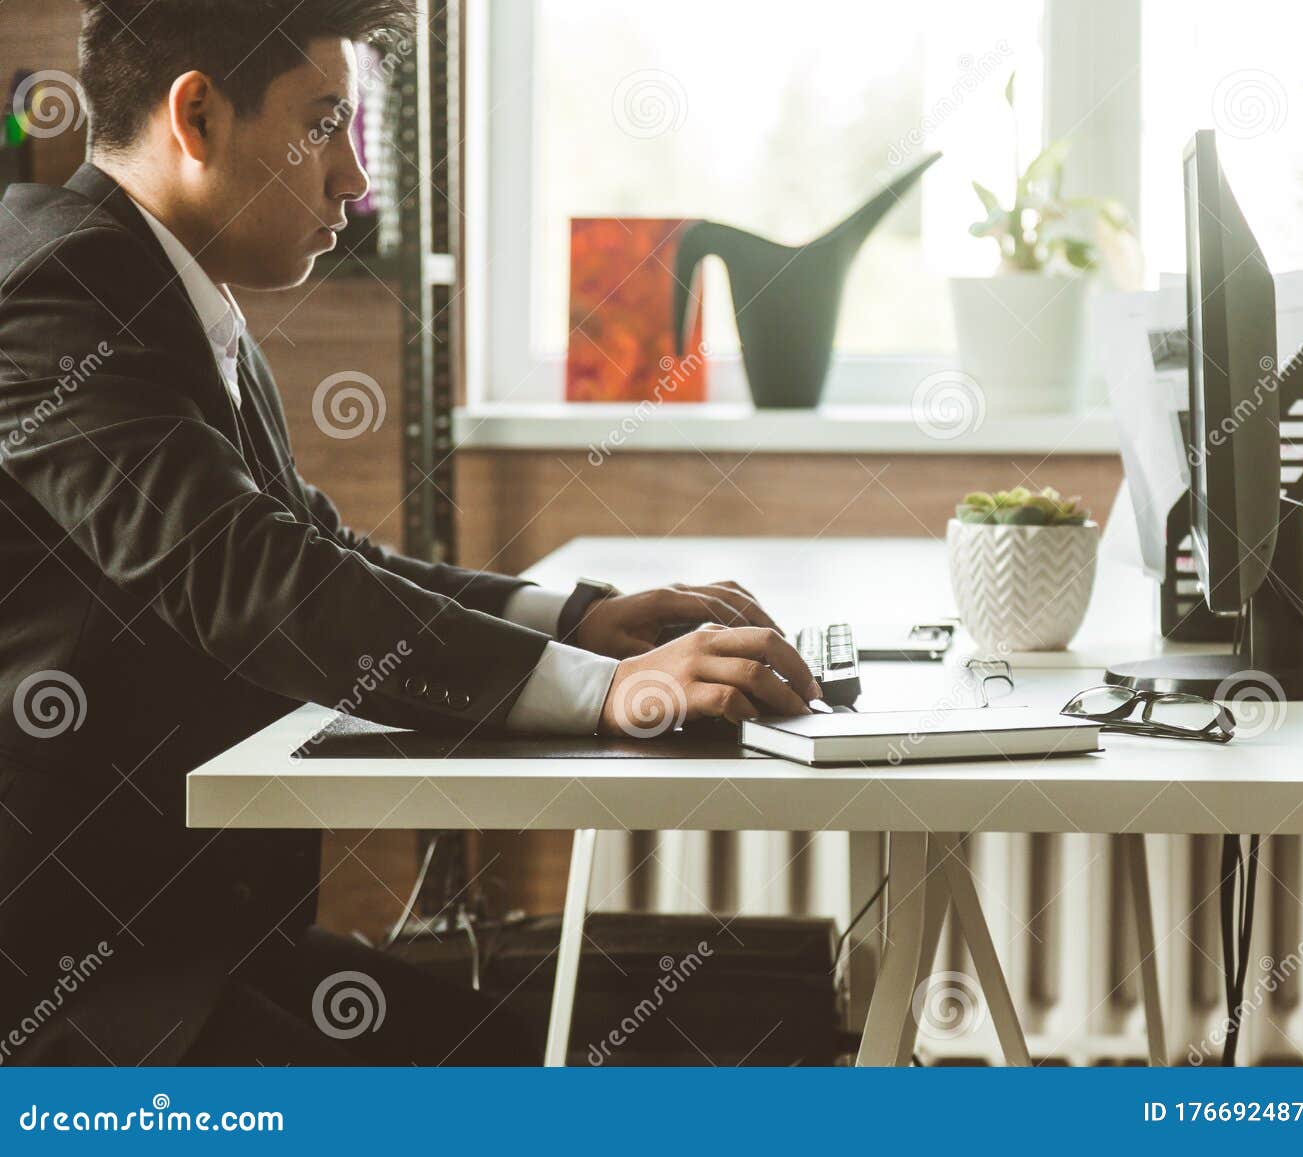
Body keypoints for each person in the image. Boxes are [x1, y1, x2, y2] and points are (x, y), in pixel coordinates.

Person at [0, 0, 818, 1065]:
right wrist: (603, 693)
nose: (355, 178)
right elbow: (236, 569)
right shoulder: (57, 291)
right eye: (326, 122)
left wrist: (584, 622)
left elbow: (318, 545)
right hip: (81, 984)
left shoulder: (164, 291)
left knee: (550, 1048)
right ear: (196, 116)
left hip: (193, 943)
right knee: (541, 1070)